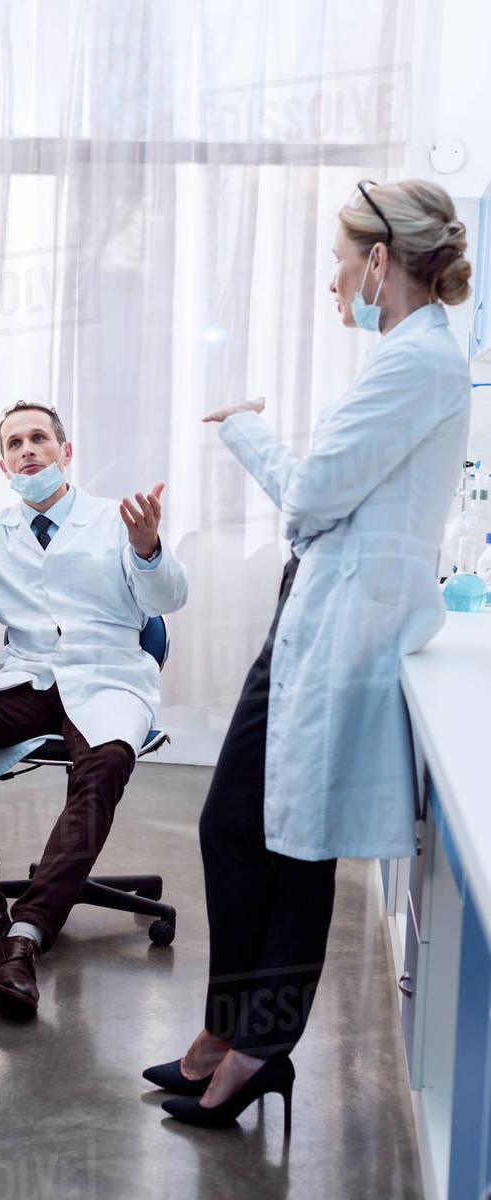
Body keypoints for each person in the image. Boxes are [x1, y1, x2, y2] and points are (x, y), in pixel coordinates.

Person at [143, 179, 472, 1131]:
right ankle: (225, 1034)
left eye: (338, 261)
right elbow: (326, 498)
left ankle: (254, 1050)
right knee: (232, 822)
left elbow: (312, 498)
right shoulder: (402, 358)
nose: (330, 284)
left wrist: (245, 432)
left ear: (378, 261)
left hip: (347, 625)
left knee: (293, 846)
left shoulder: (417, 364)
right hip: (314, 614)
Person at [0, 400, 188, 1013]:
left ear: (64, 452)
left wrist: (149, 547)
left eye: (39, 439)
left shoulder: (113, 520)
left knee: (102, 763)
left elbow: (168, 597)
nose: (28, 450)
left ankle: (28, 933)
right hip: (29, 678)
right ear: (3, 463)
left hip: (108, 676)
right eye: (15, 443)